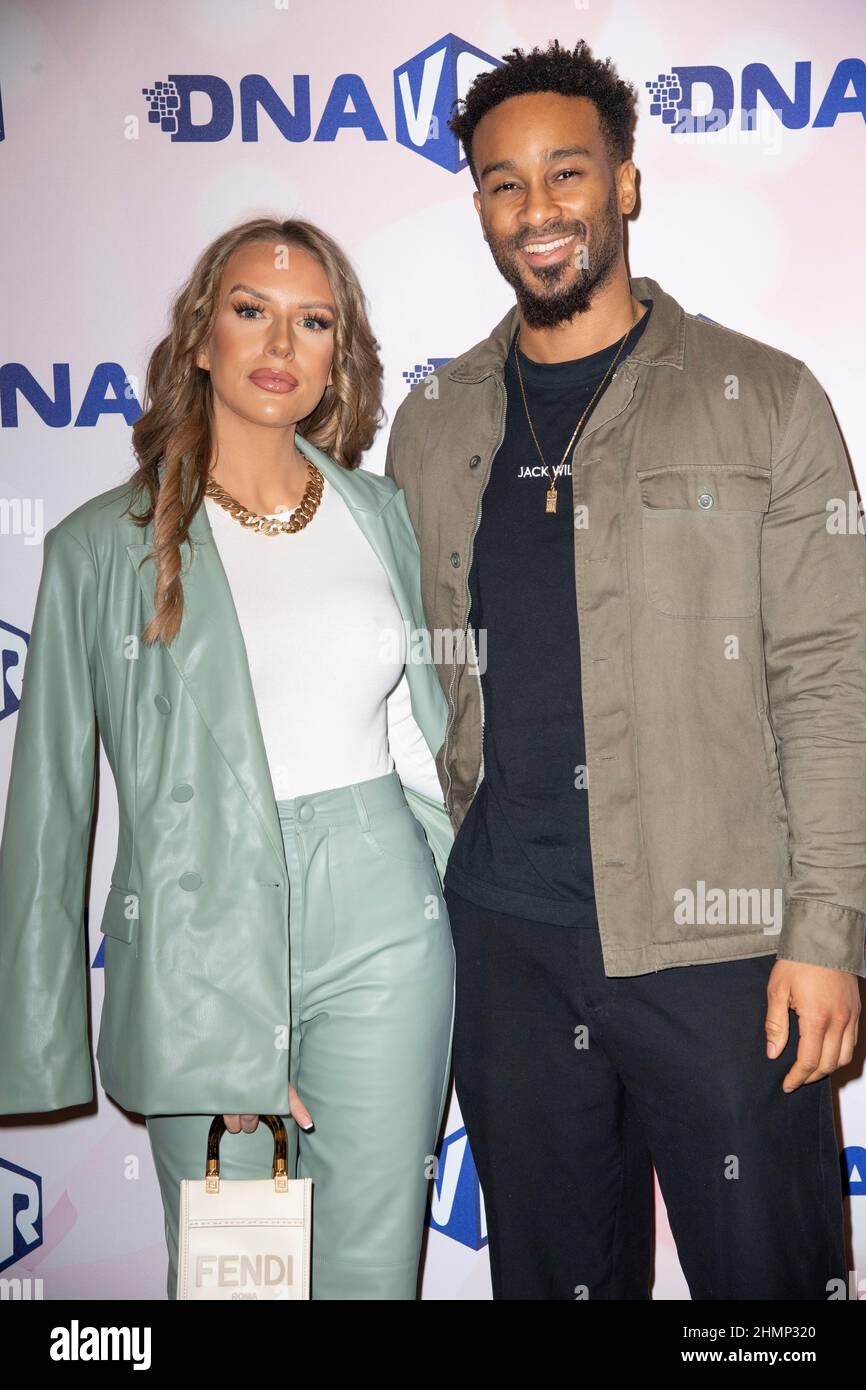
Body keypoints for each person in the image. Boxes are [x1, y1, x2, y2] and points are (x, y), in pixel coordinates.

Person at [384, 39, 865, 1300]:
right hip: (510, 942)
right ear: (477, 204)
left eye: (565, 172)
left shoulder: (761, 397)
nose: (536, 210)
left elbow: (827, 676)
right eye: (502, 182)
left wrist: (825, 932)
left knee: (767, 1293)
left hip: (719, 945)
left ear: (626, 183)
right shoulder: (431, 418)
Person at [0, 217, 456, 1301]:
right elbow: (52, 807)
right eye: (251, 309)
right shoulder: (99, 547)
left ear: (336, 355)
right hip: (198, 929)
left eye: (313, 322)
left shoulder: (376, 510)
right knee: (232, 1274)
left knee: (369, 1269)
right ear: (201, 334)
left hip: (384, 912)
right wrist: (39, 1026)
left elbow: (413, 736)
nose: (279, 342)